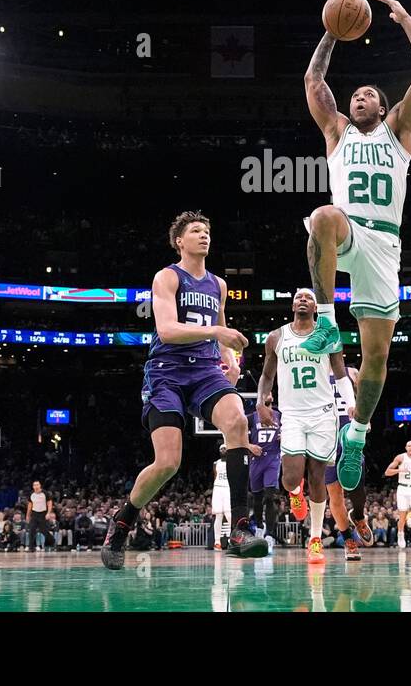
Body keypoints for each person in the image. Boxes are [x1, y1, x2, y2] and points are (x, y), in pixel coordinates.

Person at [299, 0, 411, 491]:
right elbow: (314, 82)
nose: (358, 98)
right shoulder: (337, 133)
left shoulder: (399, 129)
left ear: (383, 106)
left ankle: (357, 435)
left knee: (377, 358)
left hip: (384, 246)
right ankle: (324, 323)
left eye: (367, 95)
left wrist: (406, 20)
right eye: (354, 94)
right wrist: (331, 33)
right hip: (348, 228)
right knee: (322, 214)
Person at [101, 211, 266, 570]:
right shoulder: (167, 277)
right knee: (168, 463)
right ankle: (124, 520)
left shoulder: (218, 285)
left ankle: (240, 528)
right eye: (195, 231)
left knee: (237, 420)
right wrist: (217, 336)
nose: (204, 235)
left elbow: (220, 328)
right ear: (180, 241)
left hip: (206, 371)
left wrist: (231, 358)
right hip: (167, 373)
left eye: (207, 230)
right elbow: (167, 330)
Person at [257, 288, 349, 565]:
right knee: (291, 477)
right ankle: (296, 494)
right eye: (298, 297)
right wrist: (262, 401)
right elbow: (266, 376)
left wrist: (351, 402)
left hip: (323, 414)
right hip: (293, 414)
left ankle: (315, 539)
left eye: (308, 297)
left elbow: (341, 373)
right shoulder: (276, 337)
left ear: (315, 307)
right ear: (292, 305)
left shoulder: (327, 335)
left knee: (319, 477)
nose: (303, 300)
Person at [325, 366, 372, 560]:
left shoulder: (350, 372)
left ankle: (358, 515)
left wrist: (365, 418)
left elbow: (366, 396)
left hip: (348, 433)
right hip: (325, 436)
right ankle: (348, 541)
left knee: (357, 485)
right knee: (335, 495)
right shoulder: (312, 371)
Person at [246, 394, 282, 541]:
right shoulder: (251, 417)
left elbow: (295, 431)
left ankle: (270, 534)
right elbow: (235, 433)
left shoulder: (280, 416)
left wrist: (286, 436)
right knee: (257, 498)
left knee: (270, 497)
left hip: (273, 458)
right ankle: (260, 527)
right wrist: (249, 445)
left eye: (270, 392)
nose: (269, 395)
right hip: (256, 459)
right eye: (265, 392)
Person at [210, 446, 232, 550]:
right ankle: (217, 542)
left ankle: (232, 539)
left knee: (228, 514)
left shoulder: (232, 462)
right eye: (221, 449)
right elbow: (215, 476)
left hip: (228, 488)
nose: (223, 451)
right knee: (218, 515)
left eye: (225, 449)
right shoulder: (215, 463)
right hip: (218, 488)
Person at [26, 480, 52, 552]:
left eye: (37, 485)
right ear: (33, 486)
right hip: (34, 514)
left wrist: (48, 513)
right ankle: (31, 547)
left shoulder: (45, 493)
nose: (36, 486)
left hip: (43, 514)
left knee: (44, 531)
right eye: (34, 485)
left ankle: (52, 542)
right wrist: (27, 515)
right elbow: (30, 505)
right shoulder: (31, 494)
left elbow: (49, 503)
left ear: (40, 485)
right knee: (31, 530)